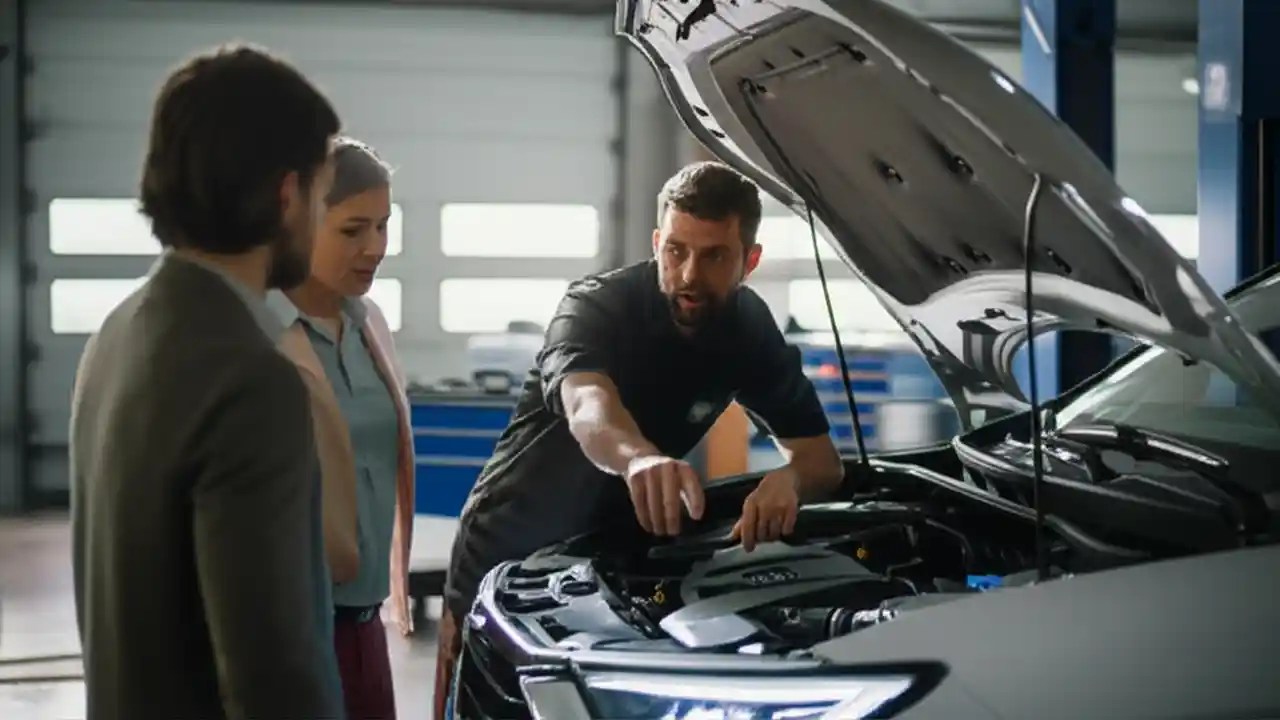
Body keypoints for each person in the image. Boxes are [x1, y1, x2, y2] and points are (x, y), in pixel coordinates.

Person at [433, 160, 845, 717]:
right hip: (505, 562)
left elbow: (822, 462)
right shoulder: (596, 306)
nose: (688, 274)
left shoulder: (750, 330)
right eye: (676, 250)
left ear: (749, 261)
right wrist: (637, 459)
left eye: (714, 256)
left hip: (609, 566)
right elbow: (588, 404)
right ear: (657, 244)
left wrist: (789, 480)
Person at [68, 44, 346, 719]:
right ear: (286, 194)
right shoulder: (251, 379)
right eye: (321, 193)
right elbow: (272, 674)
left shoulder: (116, 333)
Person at [269, 136, 415, 720]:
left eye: (383, 226)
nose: (375, 247)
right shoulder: (258, 335)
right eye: (353, 230)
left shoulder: (368, 324)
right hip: (286, 627)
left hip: (364, 621)